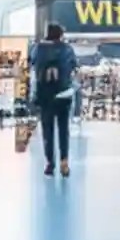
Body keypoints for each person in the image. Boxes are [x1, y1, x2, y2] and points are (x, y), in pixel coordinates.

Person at [30, 23, 77, 177]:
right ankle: (64, 161)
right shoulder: (67, 49)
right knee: (64, 130)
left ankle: (50, 163)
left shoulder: (38, 49)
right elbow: (73, 68)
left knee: (47, 131)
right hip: (64, 95)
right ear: (60, 35)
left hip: (45, 96)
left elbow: (32, 65)